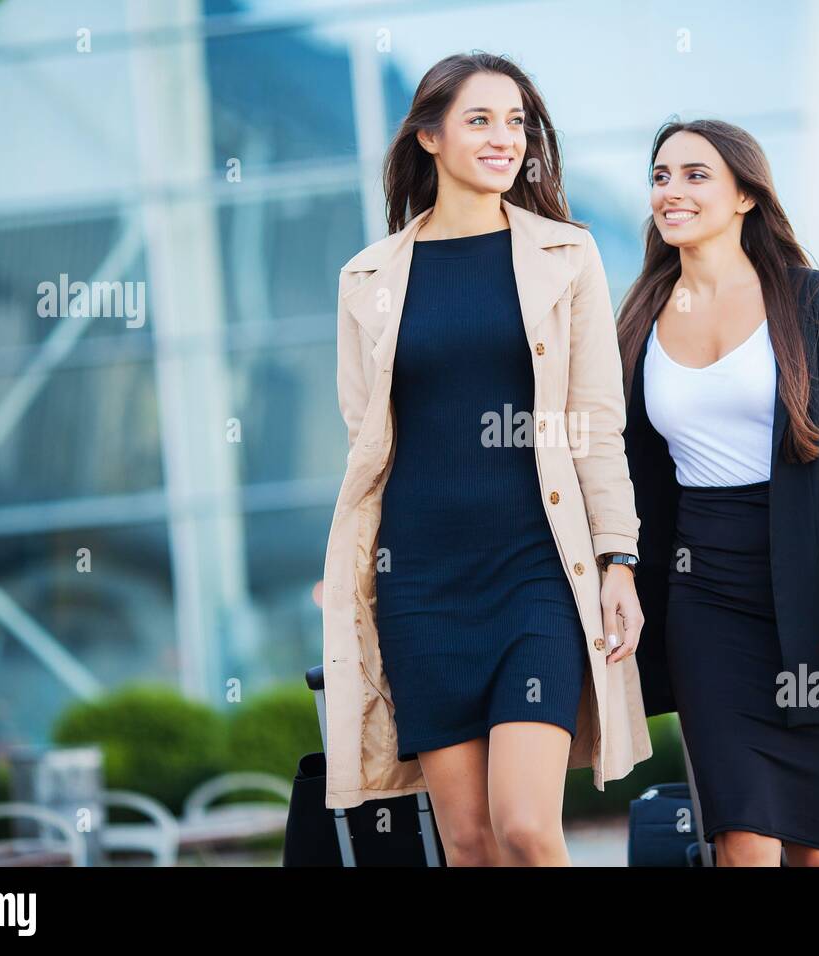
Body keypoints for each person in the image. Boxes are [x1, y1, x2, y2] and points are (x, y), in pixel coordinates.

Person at [321, 52, 652, 866]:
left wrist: (618, 558)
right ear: (429, 136)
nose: (505, 139)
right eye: (481, 120)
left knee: (528, 829)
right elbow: (366, 440)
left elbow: (594, 423)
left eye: (516, 123)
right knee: (468, 843)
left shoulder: (565, 258)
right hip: (421, 581)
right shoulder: (368, 278)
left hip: (534, 571)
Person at [620, 119, 819, 867]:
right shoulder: (638, 318)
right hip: (705, 596)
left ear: (746, 196)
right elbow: (622, 472)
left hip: (816, 585)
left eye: (696, 174)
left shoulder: (812, 300)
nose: (672, 191)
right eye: (661, 175)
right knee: (741, 841)